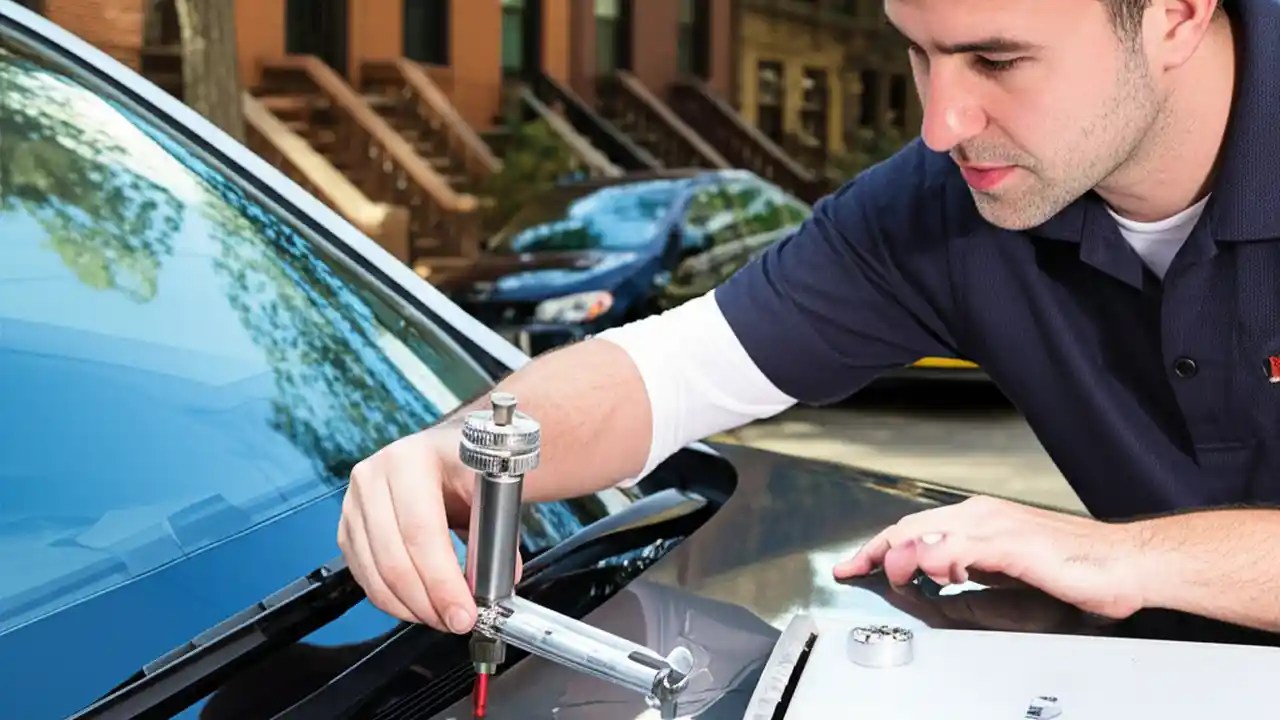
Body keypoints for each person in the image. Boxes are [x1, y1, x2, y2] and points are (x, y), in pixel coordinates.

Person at [338, 0, 1280, 638]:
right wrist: (466, 450)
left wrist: (1127, 556)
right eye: (919, 50)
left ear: (1177, 15)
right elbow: (665, 372)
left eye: (997, 58)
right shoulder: (946, 204)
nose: (942, 122)